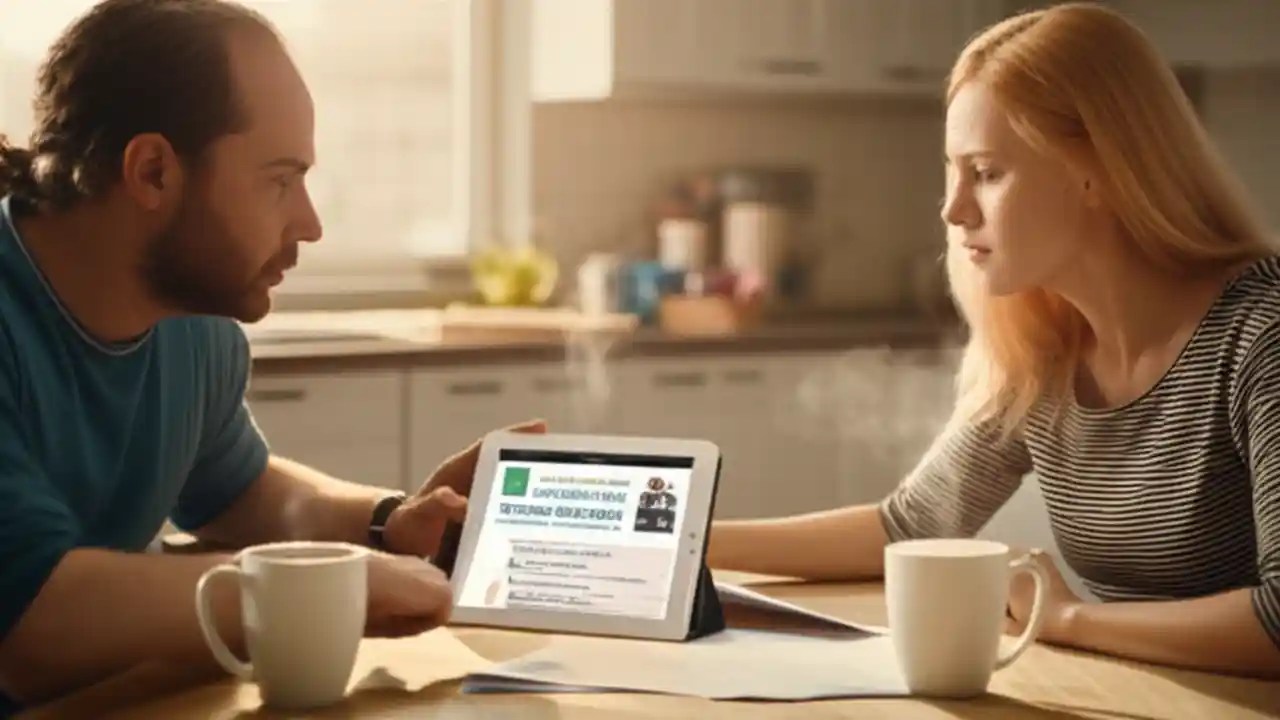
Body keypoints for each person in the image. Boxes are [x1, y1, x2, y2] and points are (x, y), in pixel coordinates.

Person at [709, 3, 1280, 679]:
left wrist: (1065, 618)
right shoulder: (1046, 353)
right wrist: (683, 541)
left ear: (1099, 166)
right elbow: (910, 525)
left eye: (986, 172)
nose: (954, 210)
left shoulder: (1260, 336)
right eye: (953, 172)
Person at [0, 0, 541, 712]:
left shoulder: (194, 325)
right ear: (154, 172)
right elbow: (33, 624)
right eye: (280, 181)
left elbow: (243, 493)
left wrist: (385, 523)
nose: (310, 224)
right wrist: (334, 584)